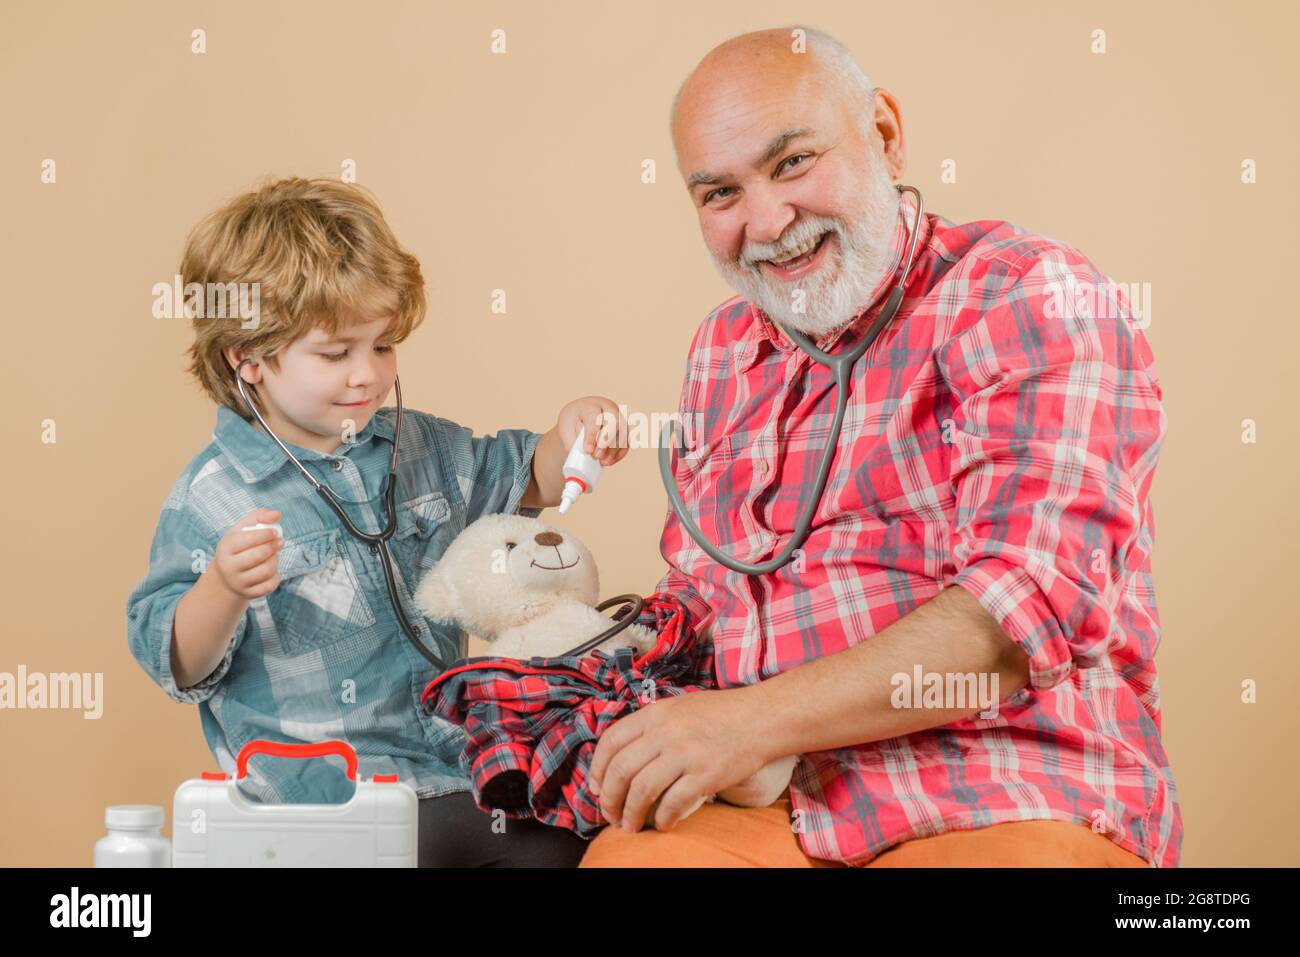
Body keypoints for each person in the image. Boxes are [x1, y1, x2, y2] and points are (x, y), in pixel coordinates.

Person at [579, 26, 1181, 867]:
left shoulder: (1032, 294)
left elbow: (1011, 622)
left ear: (886, 134)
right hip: (779, 795)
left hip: (1009, 788)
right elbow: (706, 601)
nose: (767, 220)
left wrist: (745, 723)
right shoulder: (723, 348)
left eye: (791, 163)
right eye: (719, 193)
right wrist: (581, 666)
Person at [126, 176, 622, 866]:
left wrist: (575, 428)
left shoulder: (421, 448)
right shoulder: (212, 498)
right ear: (248, 360)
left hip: (453, 777)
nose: (368, 374)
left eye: (383, 346)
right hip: (318, 805)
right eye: (336, 353)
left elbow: (520, 475)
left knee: (570, 848)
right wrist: (222, 588)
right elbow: (176, 662)